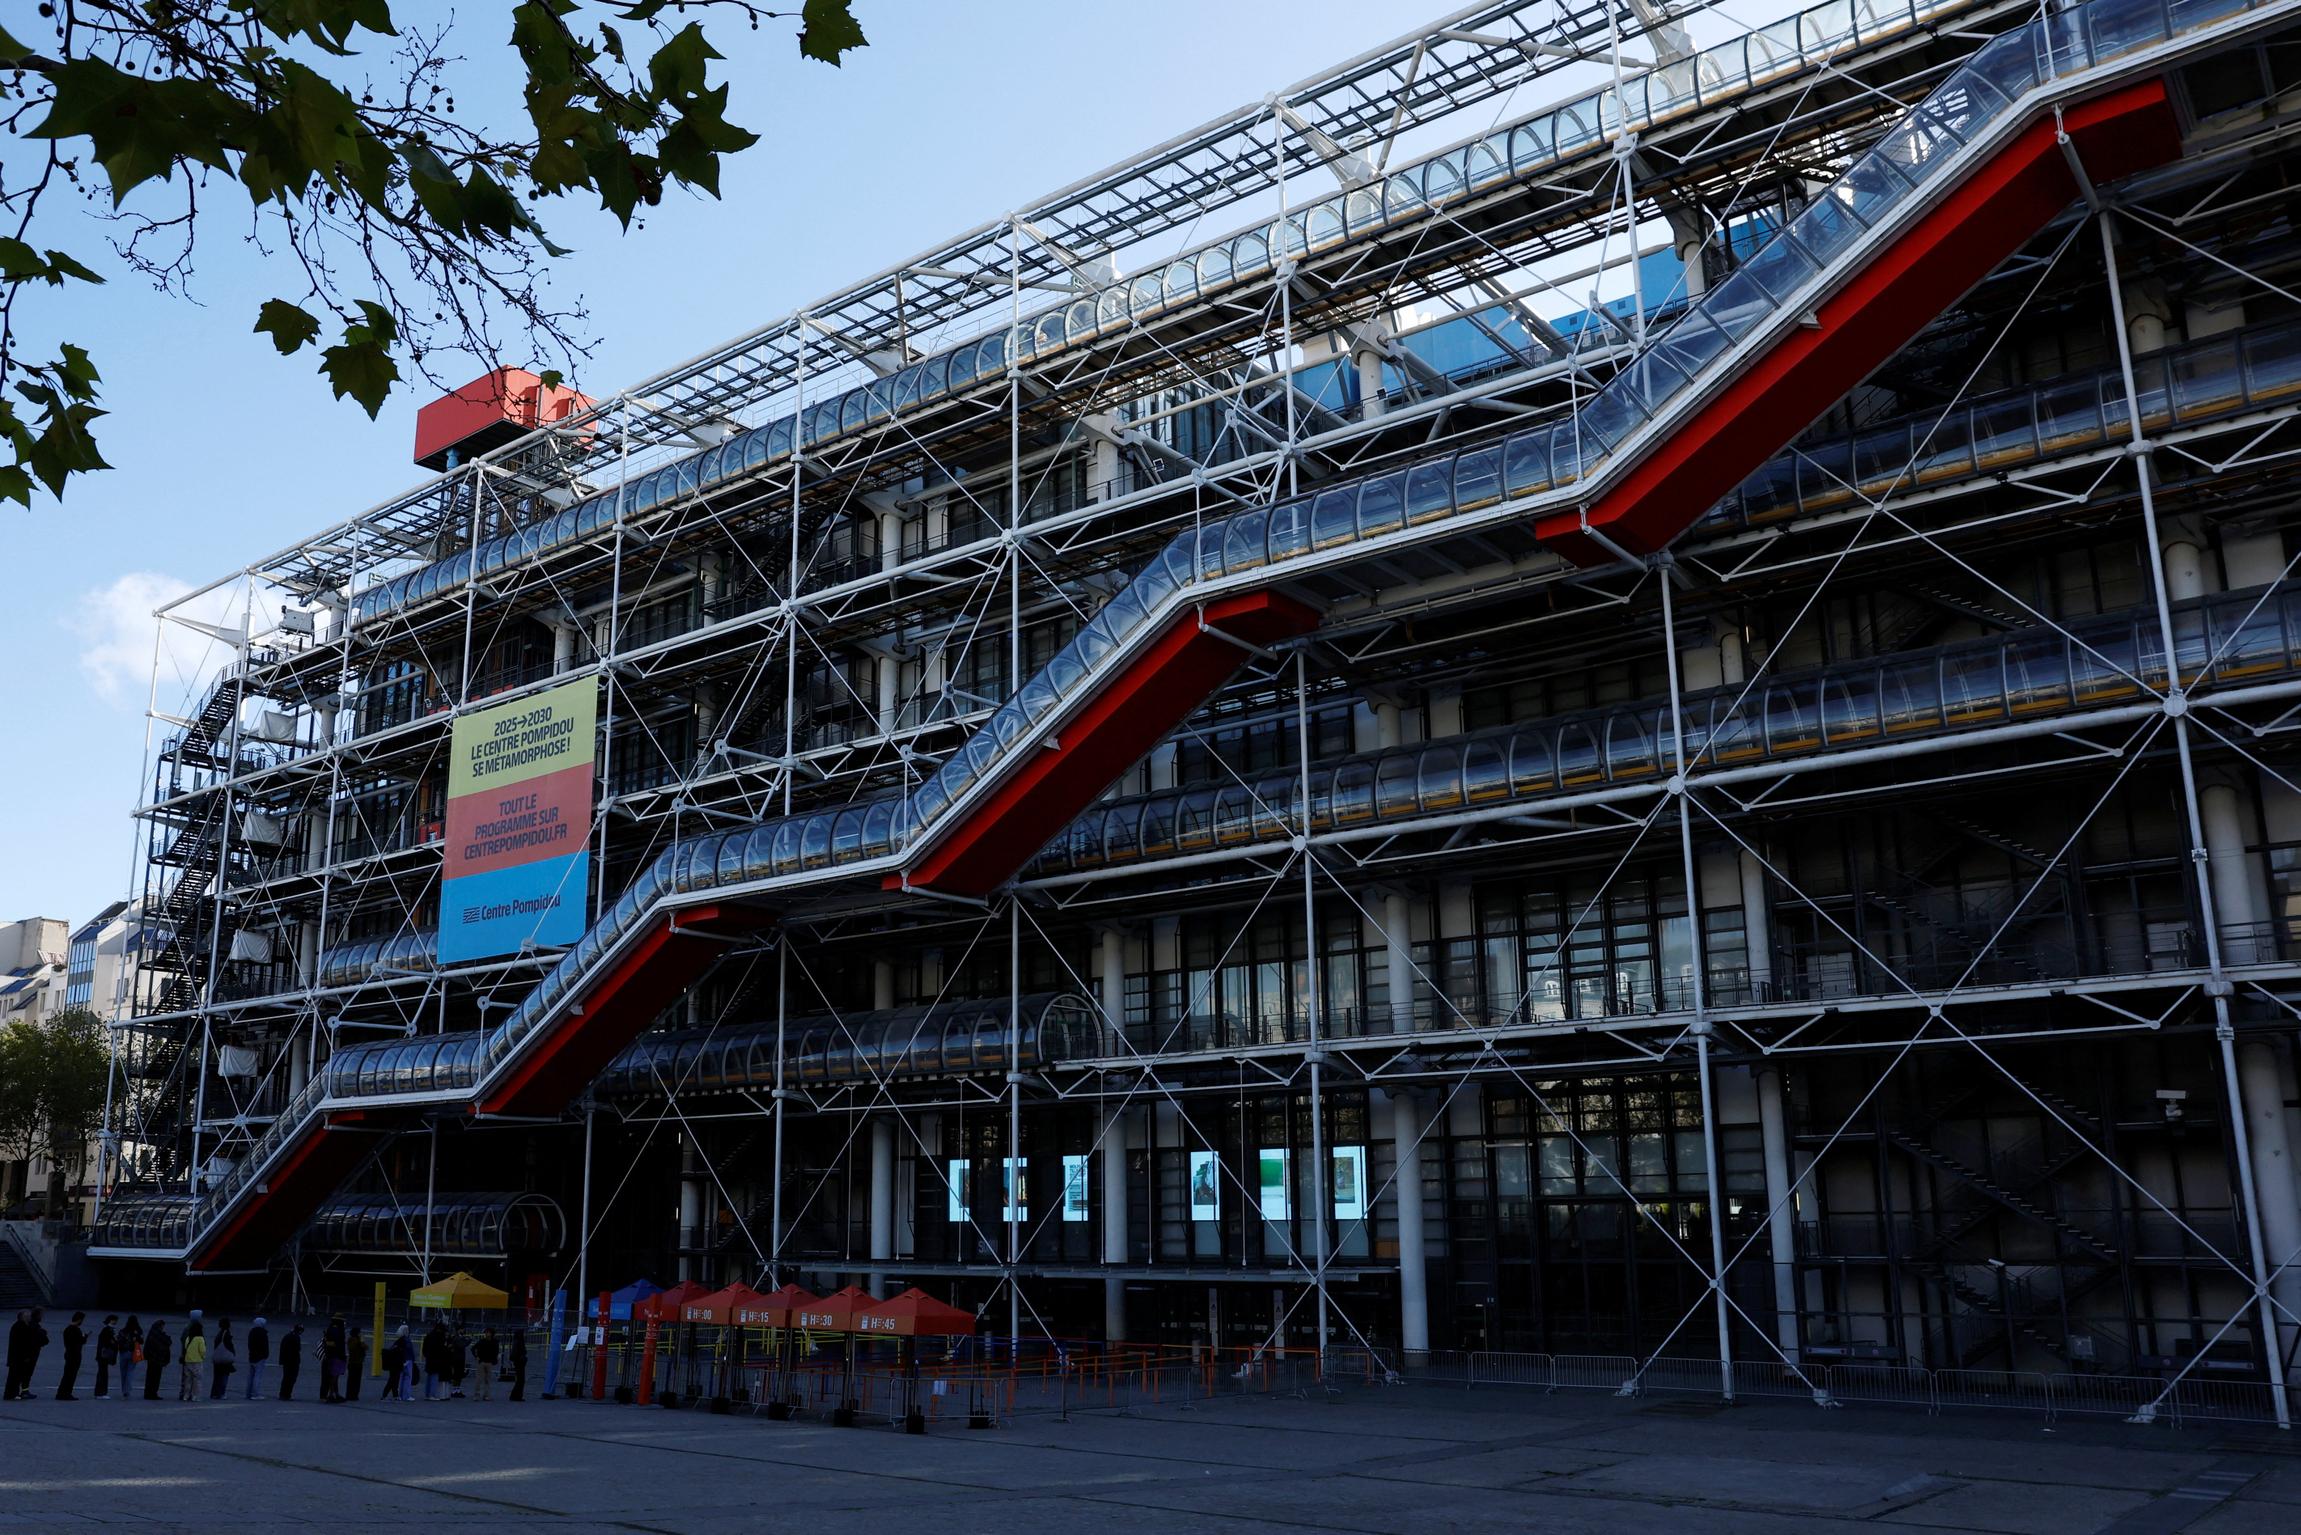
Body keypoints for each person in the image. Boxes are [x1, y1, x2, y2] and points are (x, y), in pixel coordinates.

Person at [57, 1313, 86, 1400]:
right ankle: (66, 1393)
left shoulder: (68, 1329)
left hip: (69, 1353)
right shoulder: (75, 1329)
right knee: (71, 1375)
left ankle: (62, 1393)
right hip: (74, 1355)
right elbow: (79, 1341)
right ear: (79, 1320)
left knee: (67, 1374)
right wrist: (84, 1337)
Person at [178, 1319, 206, 1400]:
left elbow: (185, 1347)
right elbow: (202, 1350)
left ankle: (186, 1396)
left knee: (188, 1380)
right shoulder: (200, 1339)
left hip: (188, 1361)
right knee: (197, 1380)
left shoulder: (188, 1338)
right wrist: (203, 1357)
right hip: (197, 1361)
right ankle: (195, 1396)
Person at [142, 1320, 171, 1399]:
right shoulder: (158, 1335)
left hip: (152, 1359)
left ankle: (148, 1393)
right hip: (157, 1359)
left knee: (150, 1377)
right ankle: (153, 1393)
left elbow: (147, 1347)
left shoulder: (152, 1334)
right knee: (155, 1377)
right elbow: (166, 1343)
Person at [208, 1318, 236, 1399]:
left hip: (218, 1357)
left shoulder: (220, 1333)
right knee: (224, 1376)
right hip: (224, 1358)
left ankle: (215, 1393)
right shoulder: (226, 1334)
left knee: (217, 1376)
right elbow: (229, 1346)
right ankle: (221, 1393)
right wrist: (233, 1354)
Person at [320, 1316, 345, 1403]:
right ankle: (331, 1394)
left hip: (333, 1355)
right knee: (333, 1376)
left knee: (332, 1376)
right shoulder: (337, 1330)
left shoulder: (331, 1329)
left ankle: (332, 1394)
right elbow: (335, 1344)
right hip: (335, 1356)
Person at [244, 1318, 270, 1399]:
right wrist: (265, 1354)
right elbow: (265, 1345)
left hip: (252, 1355)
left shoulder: (252, 1332)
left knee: (251, 1376)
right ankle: (255, 1394)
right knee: (257, 1376)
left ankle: (248, 1393)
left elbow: (249, 1344)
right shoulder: (263, 1333)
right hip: (260, 1357)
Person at [278, 1321, 303, 1400]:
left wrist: (281, 1360)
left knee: (286, 1377)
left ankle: (283, 1394)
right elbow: (298, 1349)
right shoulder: (296, 1337)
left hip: (286, 1361)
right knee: (291, 1378)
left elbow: (282, 1348)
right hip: (293, 1361)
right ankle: (287, 1394)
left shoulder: (287, 1336)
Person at [94, 1316, 118, 1398]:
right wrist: (114, 1341)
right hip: (103, 1356)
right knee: (103, 1374)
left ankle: (100, 1392)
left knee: (102, 1373)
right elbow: (108, 1342)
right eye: (114, 1320)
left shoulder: (108, 1330)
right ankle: (100, 1393)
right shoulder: (107, 1330)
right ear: (110, 1320)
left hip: (102, 1355)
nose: (115, 1322)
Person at [472, 1328, 498, 1401]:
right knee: (479, 1379)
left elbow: (496, 1351)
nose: (487, 1334)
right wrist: (476, 1356)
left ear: (492, 1333)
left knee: (487, 1380)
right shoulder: (482, 1341)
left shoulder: (495, 1342)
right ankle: (477, 1395)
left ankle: (486, 1395)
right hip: (482, 1362)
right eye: (486, 1332)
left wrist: (494, 1359)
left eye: (488, 1332)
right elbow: (473, 1348)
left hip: (489, 1362)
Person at [345, 1322, 365, 1402]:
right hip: (353, 1362)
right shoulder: (352, 1339)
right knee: (352, 1380)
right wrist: (360, 1342)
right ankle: (350, 1395)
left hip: (357, 1362)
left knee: (356, 1380)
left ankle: (354, 1394)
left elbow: (365, 1347)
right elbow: (352, 1348)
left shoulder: (358, 1340)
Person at [507, 1326, 527, 1402]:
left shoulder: (516, 1341)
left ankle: (515, 1395)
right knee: (520, 1380)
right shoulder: (519, 1342)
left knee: (520, 1380)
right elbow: (516, 1353)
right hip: (519, 1362)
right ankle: (516, 1395)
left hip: (518, 1362)